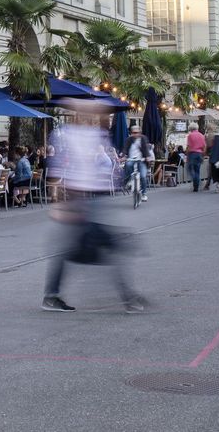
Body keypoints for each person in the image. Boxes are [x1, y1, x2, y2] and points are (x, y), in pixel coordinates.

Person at [42, 122, 145, 314]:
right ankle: (129, 298)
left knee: (76, 252)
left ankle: (51, 295)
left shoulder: (94, 135)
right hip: (84, 207)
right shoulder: (69, 135)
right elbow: (65, 172)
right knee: (106, 250)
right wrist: (64, 206)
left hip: (93, 205)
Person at [124, 128, 153, 202]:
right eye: (133, 132)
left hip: (142, 160)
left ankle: (144, 194)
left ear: (140, 133)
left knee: (143, 176)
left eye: (137, 132)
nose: (135, 134)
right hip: (131, 159)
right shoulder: (129, 140)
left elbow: (146, 149)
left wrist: (147, 157)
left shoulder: (143, 139)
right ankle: (129, 180)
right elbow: (125, 149)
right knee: (128, 165)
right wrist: (123, 156)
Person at [185, 123, 206, 192]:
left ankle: (196, 180)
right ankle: (196, 186)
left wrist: (187, 154)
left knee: (190, 168)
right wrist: (203, 154)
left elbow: (188, 146)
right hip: (199, 154)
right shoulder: (201, 135)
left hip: (192, 154)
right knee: (197, 170)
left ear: (190, 128)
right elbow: (204, 146)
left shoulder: (190, 135)